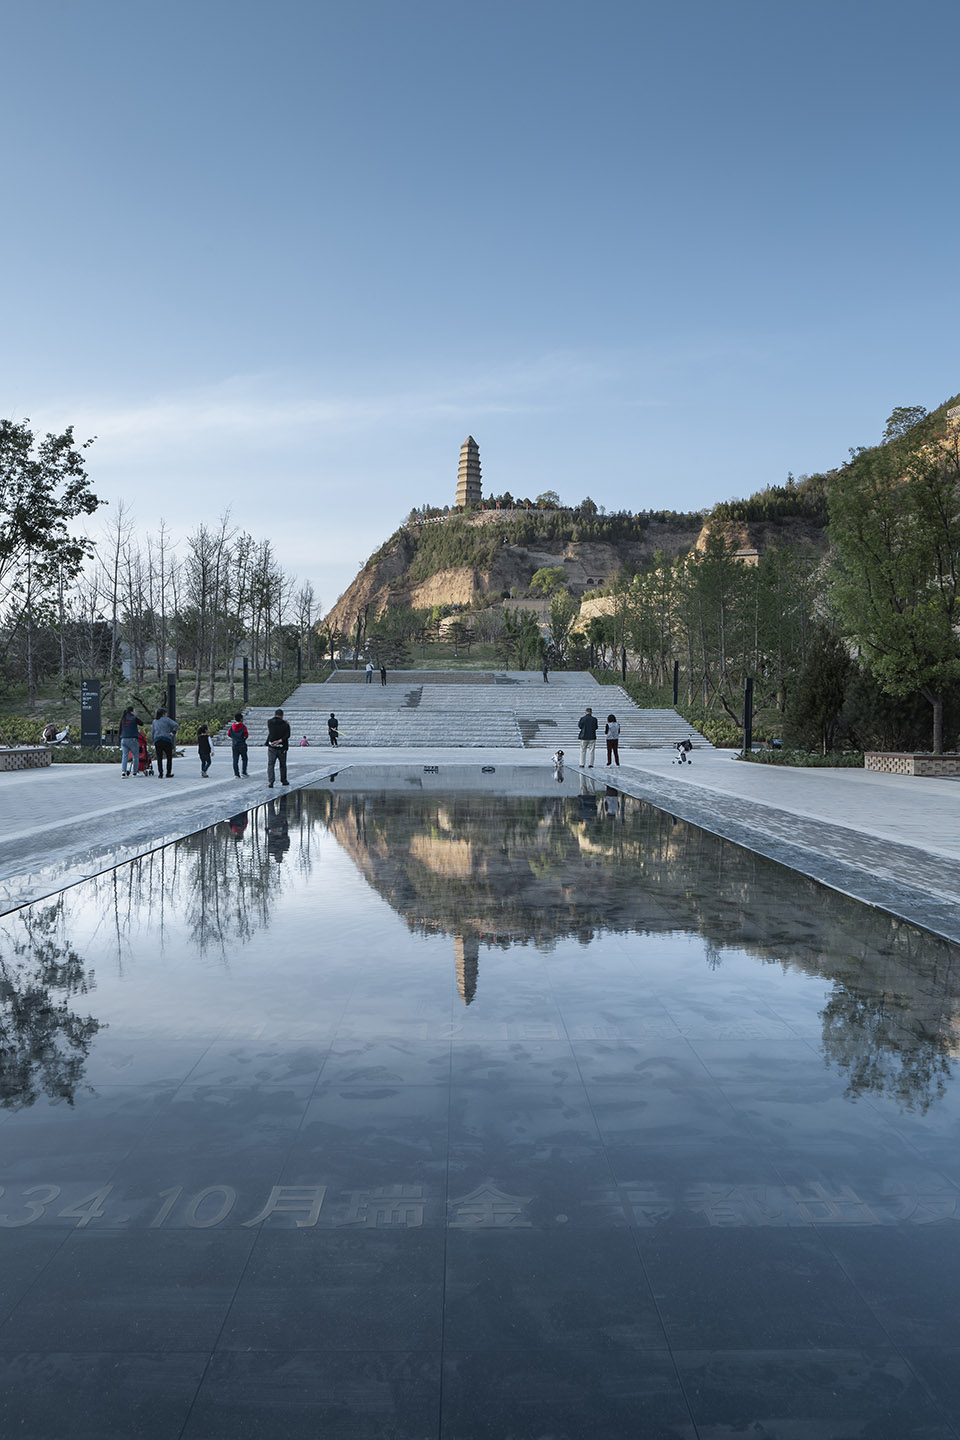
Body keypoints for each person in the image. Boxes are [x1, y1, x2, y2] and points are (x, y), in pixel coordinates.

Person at [266, 707, 290, 787]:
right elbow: (288, 735)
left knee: (271, 764)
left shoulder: (269, 722)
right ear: (282, 715)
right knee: (282, 765)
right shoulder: (285, 724)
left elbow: (272, 731)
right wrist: (280, 740)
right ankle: (283, 780)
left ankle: (271, 781)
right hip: (282, 747)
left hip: (272, 746)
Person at [151, 707, 178, 777]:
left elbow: (152, 732)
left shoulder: (154, 721)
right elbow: (176, 725)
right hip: (166, 740)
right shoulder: (167, 720)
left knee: (159, 757)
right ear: (163, 714)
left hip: (157, 740)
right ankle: (168, 773)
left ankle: (160, 773)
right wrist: (173, 732)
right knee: (169, 757)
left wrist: (153, 740)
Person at [118, 705, 140, 777]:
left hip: (123, 739)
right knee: (135, 756)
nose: (136, 712)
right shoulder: (134, 718)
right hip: (132, 739)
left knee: (125, 756)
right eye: (135, 710)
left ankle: (123, 772)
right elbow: (141, 723)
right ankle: (135, 772)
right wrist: (136, 716)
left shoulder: (123, 719)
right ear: (132, 711)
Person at [227, 711, 249, 777]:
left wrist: (234, 738)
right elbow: (246, 735)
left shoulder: (232, 727)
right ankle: (244, 772)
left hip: (234, 745)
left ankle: (236, 774)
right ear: (241, 719)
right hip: (242, 745)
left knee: (235, 760)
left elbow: (229, 734)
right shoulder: (243, 727)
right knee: (244, 759)